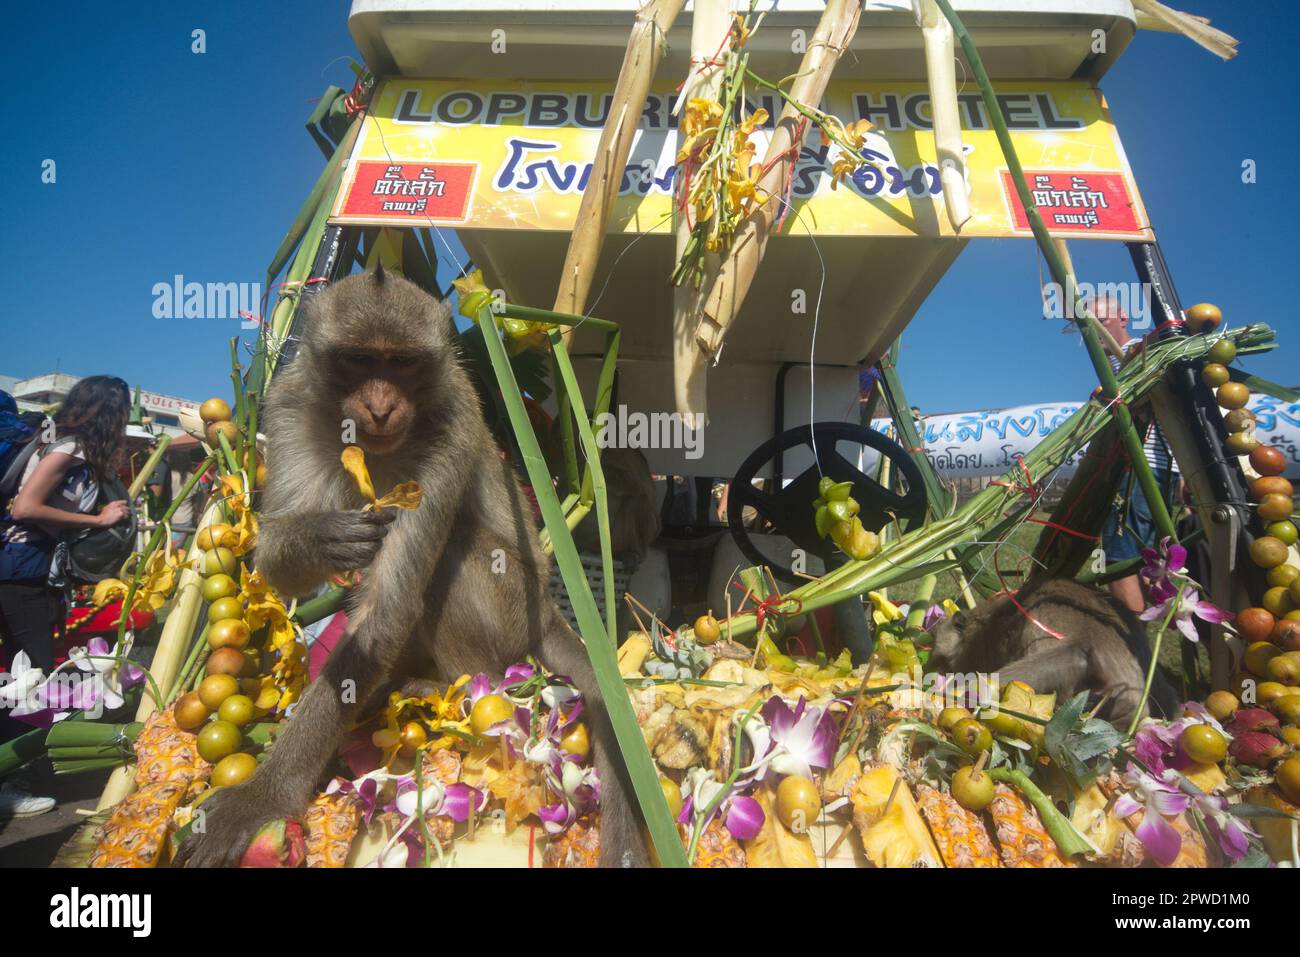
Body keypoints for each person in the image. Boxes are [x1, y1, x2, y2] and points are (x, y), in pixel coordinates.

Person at [0, 376, 131, 816]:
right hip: (21, 574)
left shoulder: (65, 445)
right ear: (112, 414)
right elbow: (25, 508)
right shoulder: (68, 448)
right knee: (29, 678)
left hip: (21, 571)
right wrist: (98, 520)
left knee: (18, 677)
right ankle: (8, 784)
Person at [1094, 297, 1183, 614]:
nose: (1093, 330)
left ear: (1122, 317)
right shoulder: (1116, 365)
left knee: (1118, 561)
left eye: (1100, 321)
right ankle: (1146, 627)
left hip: (1138, 469)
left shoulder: (1139, 353)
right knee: (1144, 558)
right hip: (1151, 471)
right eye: (1086, 325)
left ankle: (1130, 644)